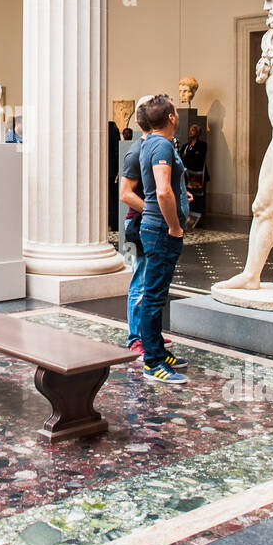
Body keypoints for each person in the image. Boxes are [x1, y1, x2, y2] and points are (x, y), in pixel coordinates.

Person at [136, 95, 191, 384]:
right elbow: (162, 191)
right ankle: (153, 362)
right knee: (154, 298)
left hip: (156, 228)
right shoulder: (161, 145)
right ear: (171, 117)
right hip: (161, 230)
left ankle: (156, 350)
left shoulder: (154, 143)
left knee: (156, 294)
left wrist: (183, 195)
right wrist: (174, 227)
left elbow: (169, 187)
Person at [118, 96, 155, 356]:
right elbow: (126, 193)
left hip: (150, 223)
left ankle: (149, 333)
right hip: (138, 223)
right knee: (139, 281)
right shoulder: (136, 151)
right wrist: (155, 210)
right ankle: (135, 338)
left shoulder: (156, 147)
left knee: (151, 281)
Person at [179, 124, 207, 227]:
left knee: (198, 198)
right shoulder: (186, 146)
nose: (191, 132)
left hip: (198, 175)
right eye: (190, 130)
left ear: (198, 133)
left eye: (193, 130)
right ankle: (189, 218)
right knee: (189, 196)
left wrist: (188, 156)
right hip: (187, 176)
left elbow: (198, 158)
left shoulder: (202, 145)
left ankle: (199, 218)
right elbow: (182, 157)